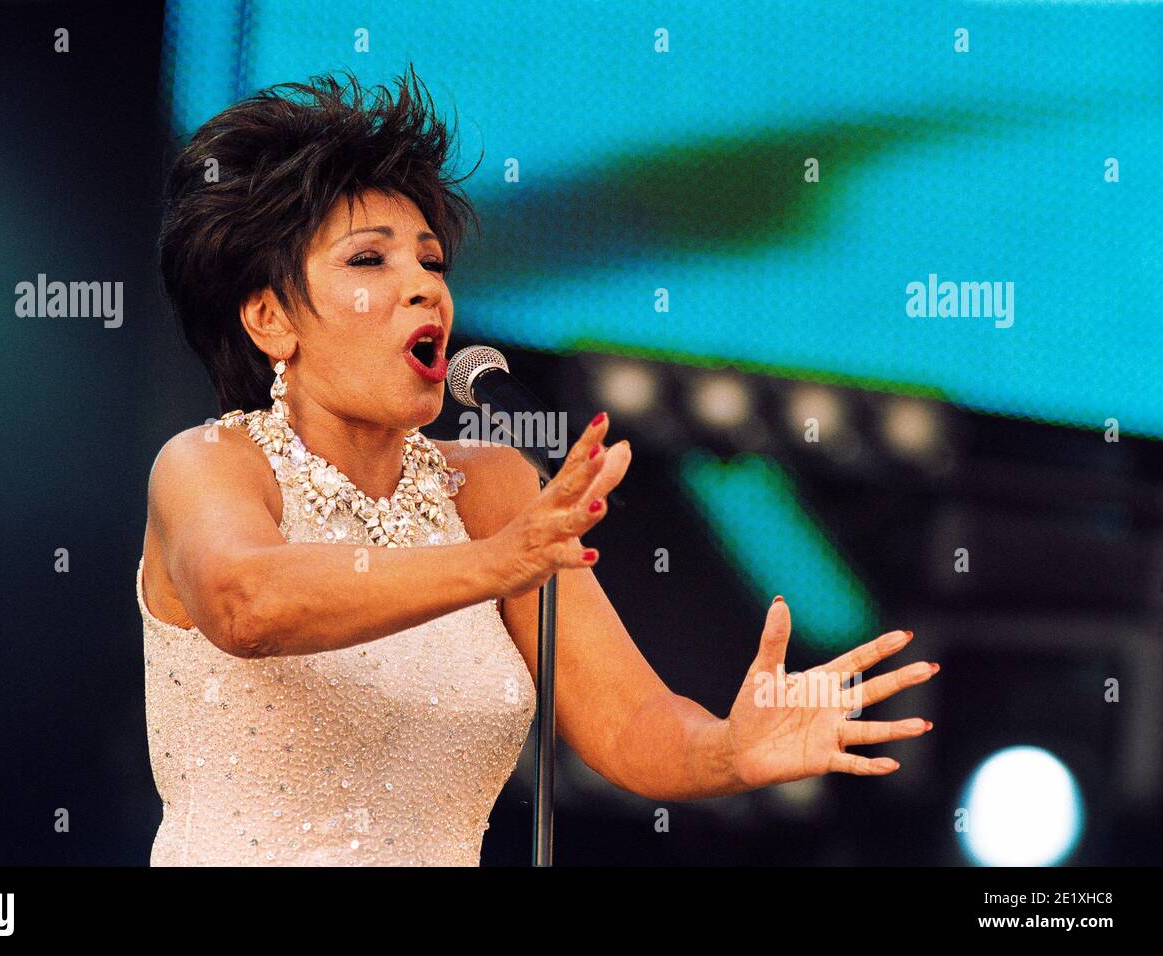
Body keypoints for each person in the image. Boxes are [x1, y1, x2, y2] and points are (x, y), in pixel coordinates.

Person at [138, 67, 938, 865]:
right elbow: (244, 603)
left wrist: (729, 749)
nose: (425, 287)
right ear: (271, 318)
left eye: (431, 261)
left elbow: (629, 727)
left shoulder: (491, 487)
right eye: (370, 262)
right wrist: (494, 563)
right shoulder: (210, 464)